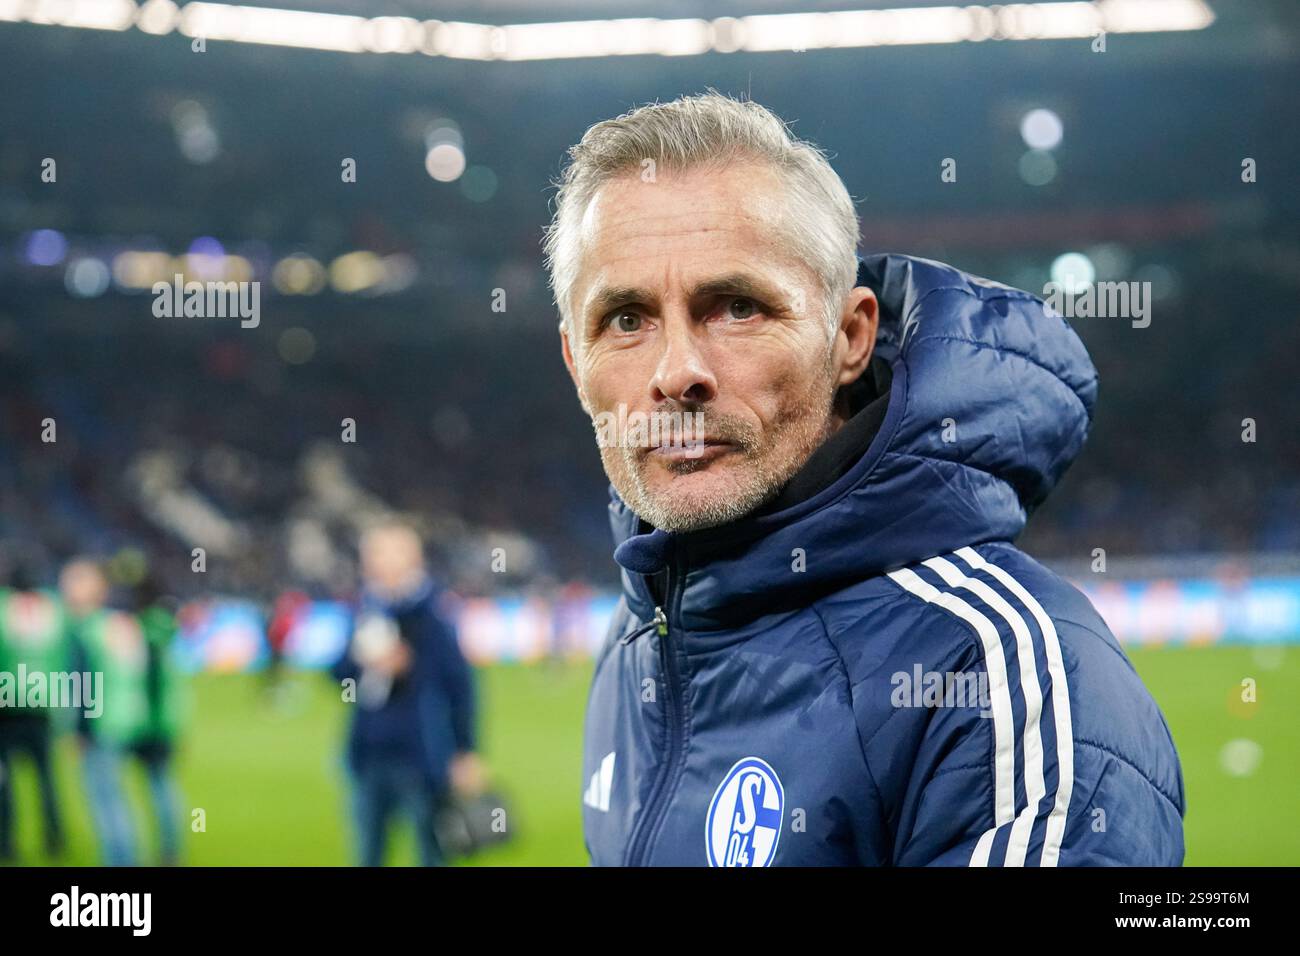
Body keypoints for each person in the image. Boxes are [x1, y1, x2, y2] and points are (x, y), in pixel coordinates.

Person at [545, 92, 1185, 866]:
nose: (678, 372)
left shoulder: (1002, 676)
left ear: (849, 336)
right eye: (625, 319)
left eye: (737, 308)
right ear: (577, 362)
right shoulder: (645, 633)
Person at [332, 521, 483, 866]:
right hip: (367, 753)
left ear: (412, 559)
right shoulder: (365, 610)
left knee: (431, 853)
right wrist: (361, 663)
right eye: (372, 555)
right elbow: (339, 678)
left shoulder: (433, 613)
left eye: (386, 553)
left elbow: (460, 687)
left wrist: (466, 750)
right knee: (368, 853)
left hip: (420, 756)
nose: (376, 563)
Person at [62, 558, 146, 867]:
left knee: (105, 801)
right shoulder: (120, 624)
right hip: (125, 721)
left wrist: (79, 730)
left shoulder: (87, 630)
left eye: (74, 581)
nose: (67, 589)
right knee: (117, 797)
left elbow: (84, 685)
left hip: (99, 726)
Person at [0, 568, 69, 860]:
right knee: (46, 778)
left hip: (7, 707)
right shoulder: (52, 611)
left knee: (5, 782)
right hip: (42, 705)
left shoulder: (4, 609)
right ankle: (54, 838)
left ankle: (7, 841)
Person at [125, 576, 188, 866]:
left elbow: (148, 682)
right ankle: (171, 848)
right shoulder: (165, 626)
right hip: (170, 720)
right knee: (165, 785)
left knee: (156, 787)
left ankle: (163, 850)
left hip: (150, 723)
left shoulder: (143, 630)